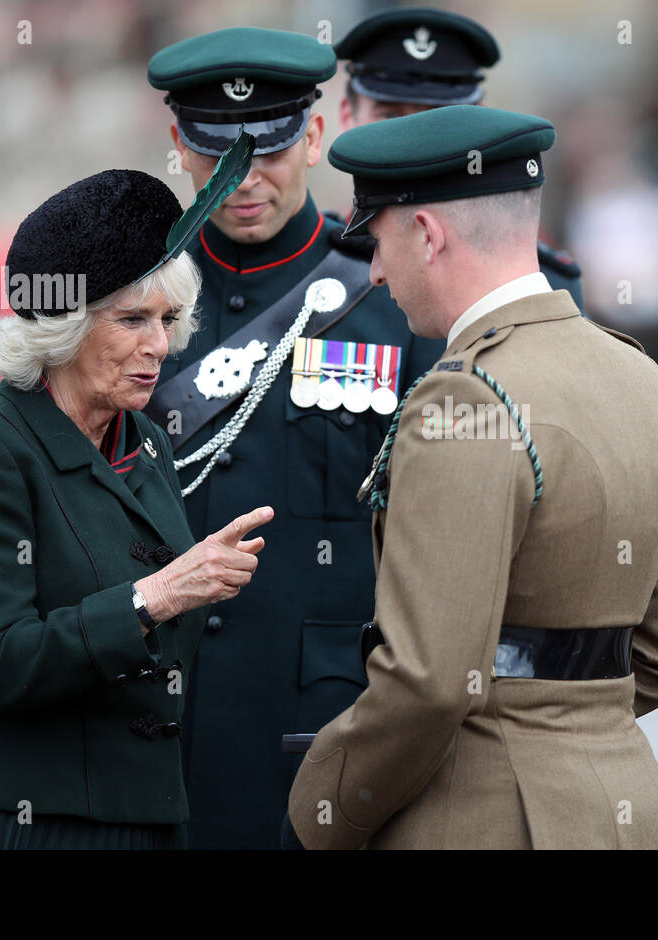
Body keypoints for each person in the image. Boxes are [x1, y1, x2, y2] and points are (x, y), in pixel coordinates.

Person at [285, 105, 658, 850]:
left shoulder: (464, 398)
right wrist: (568, 724)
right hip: (626, 808)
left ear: (427, 233)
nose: (374, 270)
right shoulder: (640, 374)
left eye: (377, 240)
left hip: (482, 815)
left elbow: (429, 681)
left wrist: (321, 806)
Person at [0, 168, 272, 849]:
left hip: (137, 820)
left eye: (168, 320)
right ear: (62, 328)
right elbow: (2, 663)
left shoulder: (143, 441)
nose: (159, 346)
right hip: (3, 824)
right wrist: (156, 596)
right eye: (131, 319)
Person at [142, 26, 445, 849]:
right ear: (179, 145)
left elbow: (438, 529)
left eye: (269, 150)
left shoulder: (388, 298)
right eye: (216, 153)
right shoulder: (131, 297)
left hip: (319, 716)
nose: (244, 180)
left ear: (315, 137)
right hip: (144, 707)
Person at [333, 6, 585, 306]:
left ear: (478, 124)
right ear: (348, 117)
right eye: (390, 116)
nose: (416, 141)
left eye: (441, 118)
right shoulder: (315, 269)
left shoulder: (537, 280)